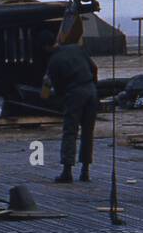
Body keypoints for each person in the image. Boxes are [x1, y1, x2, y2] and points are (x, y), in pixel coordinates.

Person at [39, 26, 99, 183]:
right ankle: (85, 172)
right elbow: (94, 68)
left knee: (70, 131)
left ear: (45, 47)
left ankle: (67, 172)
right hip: (91, 91)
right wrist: (92, 86)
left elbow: (58, 90)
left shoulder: (53, 62)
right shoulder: (76, 48)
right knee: (88, 132)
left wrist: (53, 97)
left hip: (75, 94)